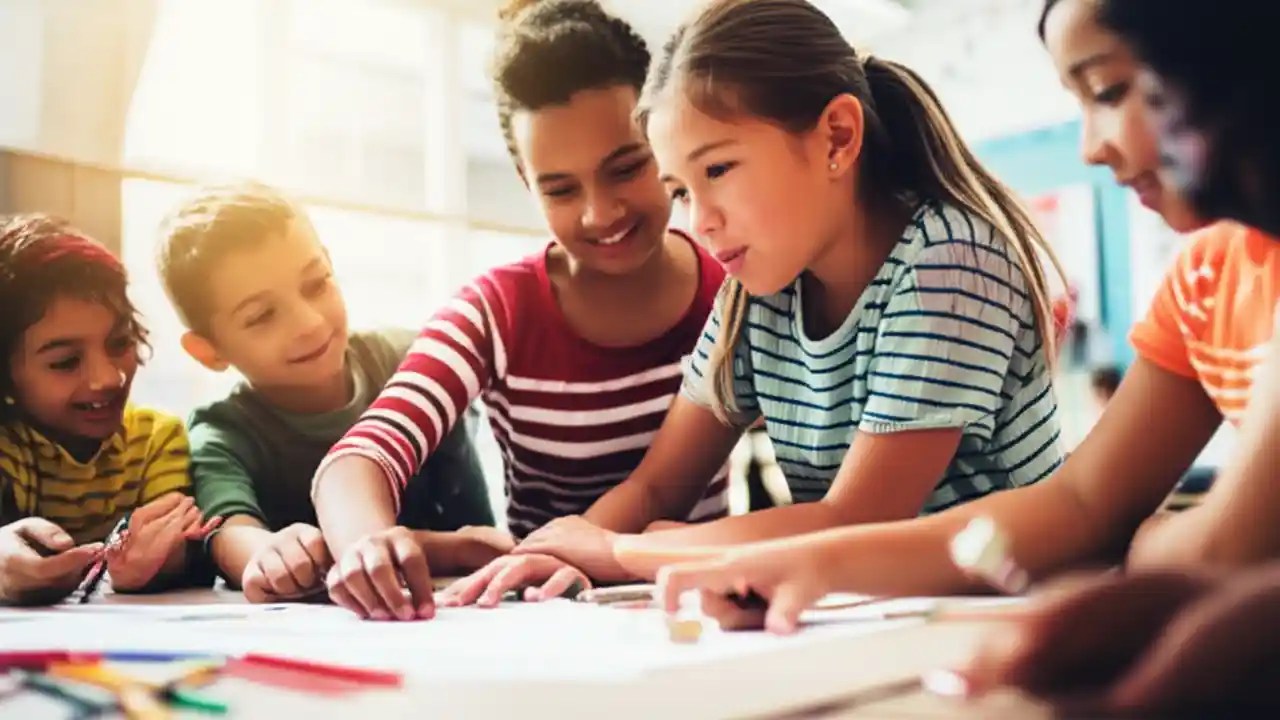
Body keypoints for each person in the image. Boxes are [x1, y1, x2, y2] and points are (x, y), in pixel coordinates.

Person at [651, 0, 1280, 635]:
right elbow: (1088, 506)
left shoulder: (950, 255)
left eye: (1113, 91)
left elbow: (1222, 547)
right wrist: (818, 563)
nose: (1089, 148)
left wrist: (1149, 539)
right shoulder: (1207, 275)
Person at [444, 0, 1067, 607]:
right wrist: (562, 552)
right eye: (679, 190)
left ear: (837, 138)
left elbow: (854, 521)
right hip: (873, 613)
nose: (701, 221)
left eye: (717, 171)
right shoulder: (760, 291)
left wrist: (625, 553)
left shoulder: (950, 262)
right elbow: (657, 486)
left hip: (1015, 602)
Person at [312, 0, 732, 621]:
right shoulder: (498, 311)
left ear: (664, 136)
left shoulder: (734, 288)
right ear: (524, 179)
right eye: (561, 189)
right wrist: (364, 542)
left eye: (626, 168)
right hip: (537, 608)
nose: (600, 213)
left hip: (690, 604)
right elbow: (362, 455)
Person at [156, 182, 502, 604]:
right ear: (208, 350)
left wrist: (456, 547)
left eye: (316, 283)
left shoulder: (414, 365)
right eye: (262, 315)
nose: (309, 323)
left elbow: (481, 542)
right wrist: (268, 555)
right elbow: (235, 540)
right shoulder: (221, 434)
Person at [0, 214, 216, 605]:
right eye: (65, 362)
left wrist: (159, 562)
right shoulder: (8, 447)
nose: (109, 377)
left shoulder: (156, 440)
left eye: (120, 342)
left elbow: (187, 549)